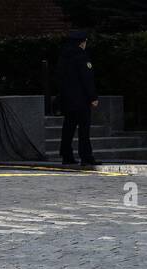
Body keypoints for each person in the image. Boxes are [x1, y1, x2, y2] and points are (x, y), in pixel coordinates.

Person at [57, 29, 98, 167]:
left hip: (68, 99)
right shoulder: (82, 57)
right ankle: (86, 156)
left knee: (68, 127)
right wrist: (93, 97)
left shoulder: (64, 57)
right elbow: (87, 79)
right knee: (84, 129)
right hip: (81, 100)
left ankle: (66, 154)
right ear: (82, 42)